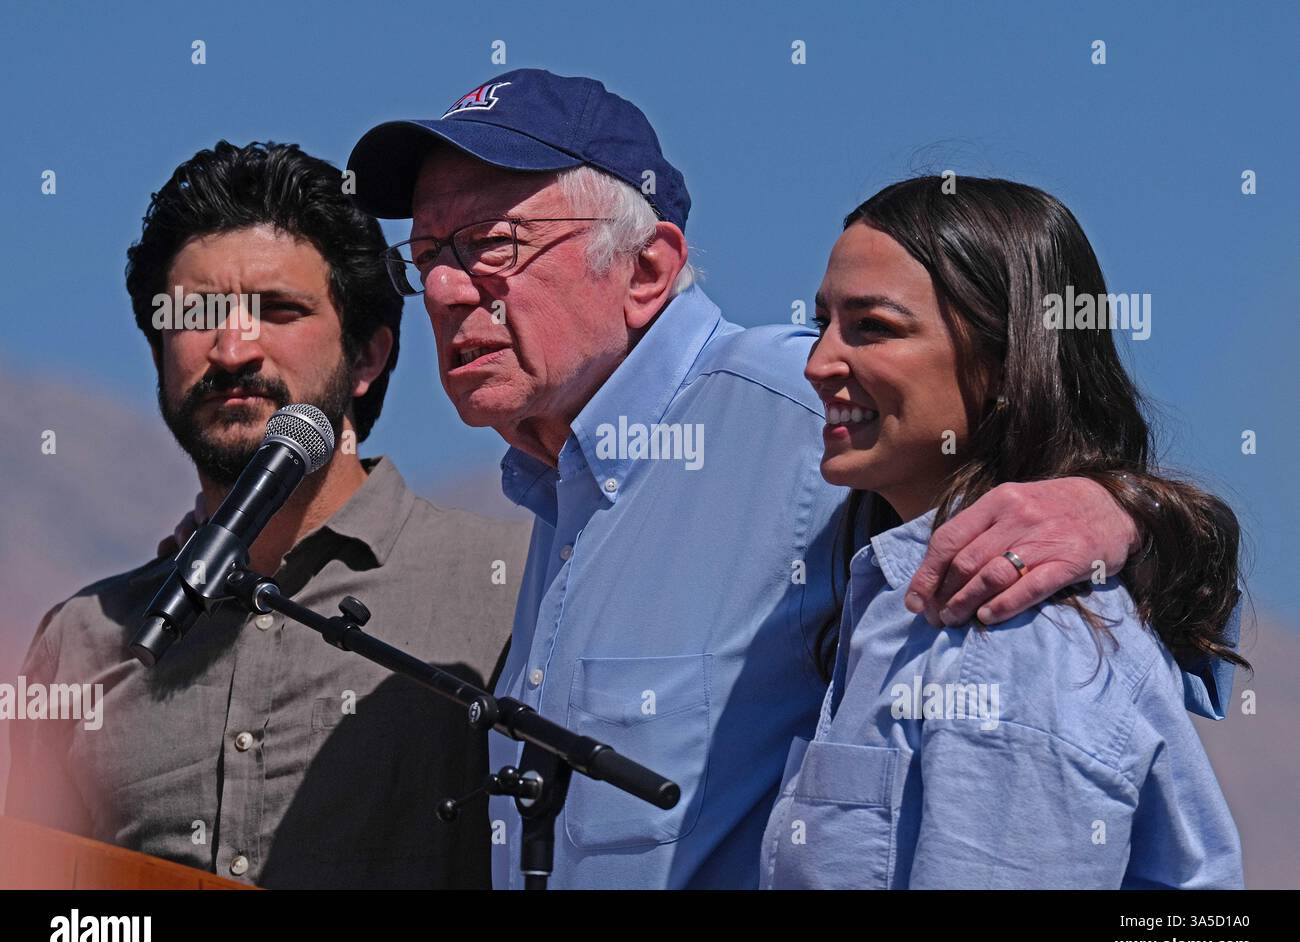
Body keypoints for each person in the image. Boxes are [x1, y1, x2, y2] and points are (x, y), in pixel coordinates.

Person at [346, 68, 1236, 889]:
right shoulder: (553, 484)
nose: (453, 290)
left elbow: (1093, 607)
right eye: (426, 257)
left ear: (648, 267)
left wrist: (1121, 508)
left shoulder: (812, 418)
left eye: (492, 244)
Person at [4, 140, 529, 888]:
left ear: (369, 357)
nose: (231, 347)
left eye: (277, 309)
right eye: (197, 314)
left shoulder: (510, 589)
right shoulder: (84, 639)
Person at [761, 176, 1244, 888]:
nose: (817, 361)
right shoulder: (892, 595)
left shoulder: (1011, 635)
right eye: (823, 320)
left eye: (873, 326)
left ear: (1002, 362)